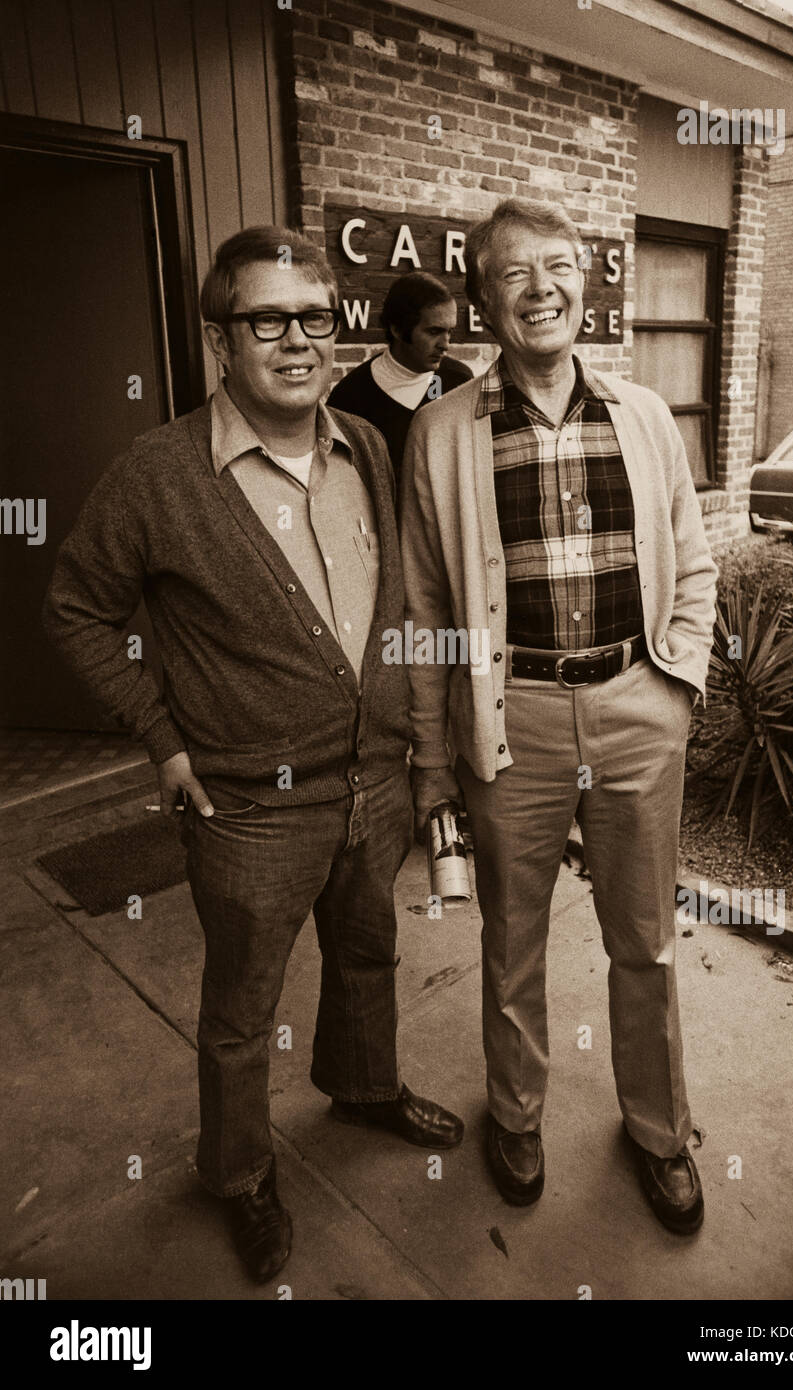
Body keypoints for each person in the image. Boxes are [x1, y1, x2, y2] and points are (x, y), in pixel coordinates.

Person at [43, 226, 463, 1285]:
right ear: (219, 336)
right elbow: (78, 612)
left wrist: (419, 743)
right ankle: (238, 1173)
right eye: (264, 319)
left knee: (368, 956)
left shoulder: (366, 446)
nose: (292, 341)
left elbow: (396, 603)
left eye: (313, 317)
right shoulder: (157, 474)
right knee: (240, 1012)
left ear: (338, 329)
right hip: (246, 806)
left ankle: (360, 1087)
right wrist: (162, 736)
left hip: (369, 783)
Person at [400, 198, 717, 1232]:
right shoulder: (443, 431)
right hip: (513, 716)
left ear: (586, 283)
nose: (541, 288)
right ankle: (517, 1112)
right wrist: (430, 759)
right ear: (483, 301)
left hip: (635, 704)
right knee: (511, 941)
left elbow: (693, 561)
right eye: (512, 274)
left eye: (560, 266)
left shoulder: (643, 416)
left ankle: (659, 1130)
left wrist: (675, 685)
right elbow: (425, 607)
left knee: (643, 940)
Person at [328, 271, 472, 487]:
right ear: (397, 329)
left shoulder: (458, 380)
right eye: (434, 332)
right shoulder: (350, 397)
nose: (445, 344)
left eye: (449, 331)